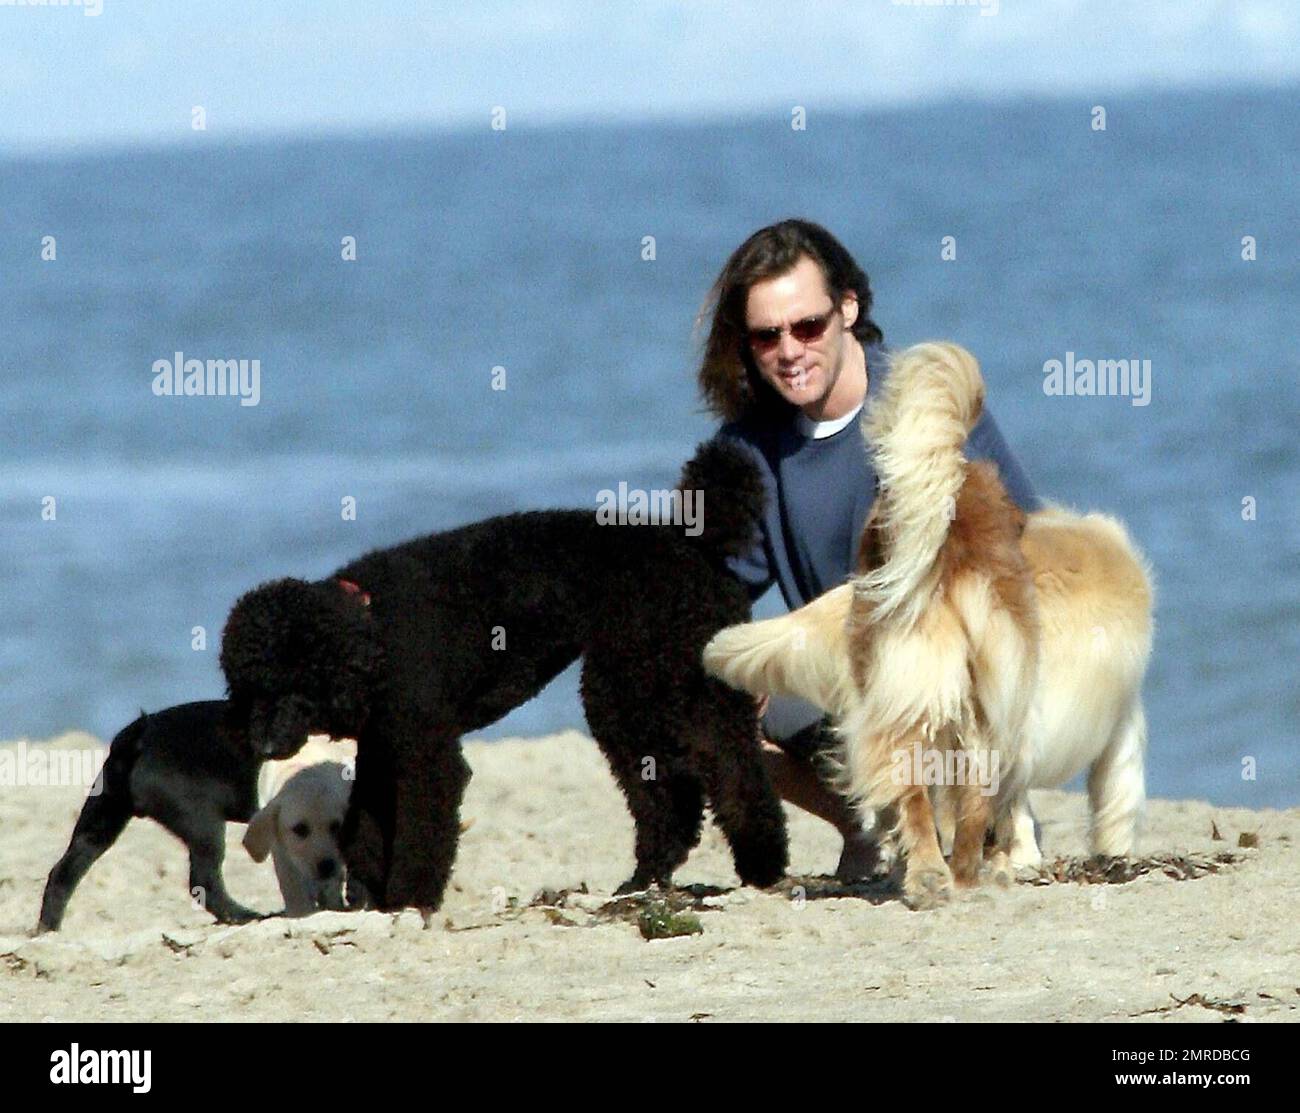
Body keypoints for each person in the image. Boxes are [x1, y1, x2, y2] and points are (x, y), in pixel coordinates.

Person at [696, 218, 1039, 880]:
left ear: (848, 307)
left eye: (808, 326)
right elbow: (709, 589)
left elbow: (1028, 539)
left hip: (953, 679)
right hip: (846, 680)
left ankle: (992, 818)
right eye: (767, 335)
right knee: (693, 692)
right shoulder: (749, 446)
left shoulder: (922, 396)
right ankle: (866, 824)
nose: (789, 350)